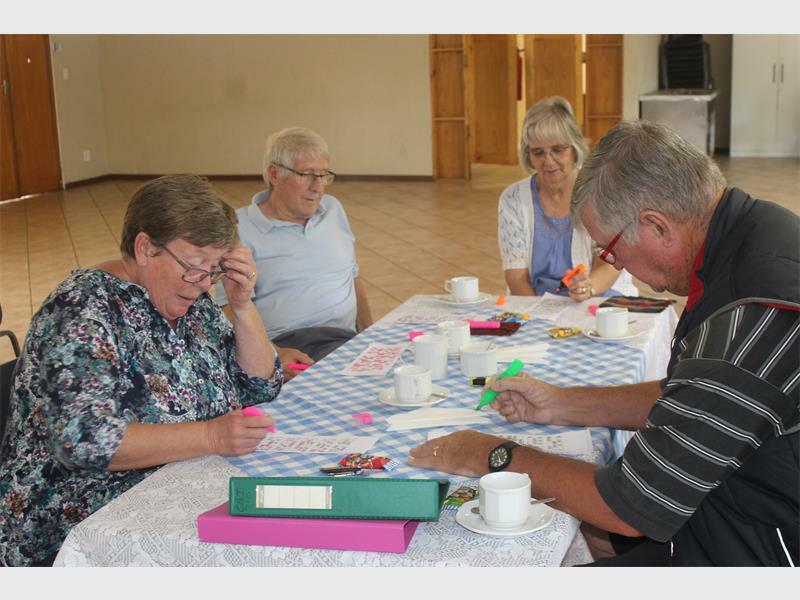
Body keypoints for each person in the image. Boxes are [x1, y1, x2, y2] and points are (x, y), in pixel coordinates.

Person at [410, 121, 799, 566]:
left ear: (656, 226)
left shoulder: (749, 317)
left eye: (609, 249)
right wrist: (560, 404)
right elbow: (694, 397)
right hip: (734, 499)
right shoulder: (752, 228)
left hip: (757, 544)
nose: (609, 262)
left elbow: (631, 505)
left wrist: (492, 455)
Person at [0, 175, 283, 567]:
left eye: (214, 270)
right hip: (81, 533)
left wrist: (242, 305)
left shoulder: (190, 302)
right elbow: (85, 441)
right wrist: (210, 435)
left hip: (176, 497)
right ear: (145, 248)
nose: (204, 286)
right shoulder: (82, 311)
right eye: (195, 267)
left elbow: (257, 387)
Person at [215, 127, 373, 379]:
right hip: (290, 345)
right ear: (274, 174)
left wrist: (371, 335)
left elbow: (351, 276)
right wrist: (273, 354)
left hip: (344, 341)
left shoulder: (333, 210)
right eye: (307, 175)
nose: (318, 187)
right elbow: (227, 309)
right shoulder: (239, 229)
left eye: (323, 175)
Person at [497, 96, 638, 301]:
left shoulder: (600, 192)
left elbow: (610, 261)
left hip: (599, 295)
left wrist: (586, 288)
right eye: (538, 152)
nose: (548, 161)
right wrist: (539, 316)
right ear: (528, 156)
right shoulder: (513, 199)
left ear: (574, 148)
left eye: (557, 150)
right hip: (537, 303)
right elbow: (516, 277)